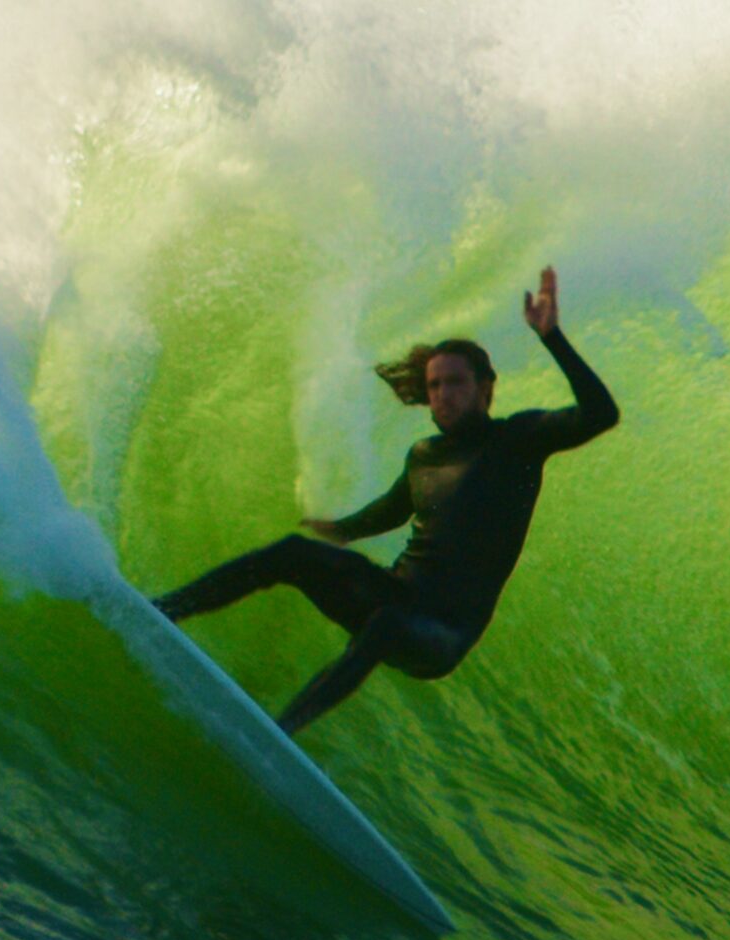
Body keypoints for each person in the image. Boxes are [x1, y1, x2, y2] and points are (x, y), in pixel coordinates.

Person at [153, 266, 619, 733]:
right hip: (395, 593)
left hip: (443, 633)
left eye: (456, 383)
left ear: (484, 388)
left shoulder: (518, 440)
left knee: (386, 625)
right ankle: (166, 610)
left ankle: (283, 730)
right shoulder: (424, 455)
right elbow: (392, 510)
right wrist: (341, 530)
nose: (443, 395)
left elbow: (602, 414)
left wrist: (552, 337)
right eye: (435, 386)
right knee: (293, 554)